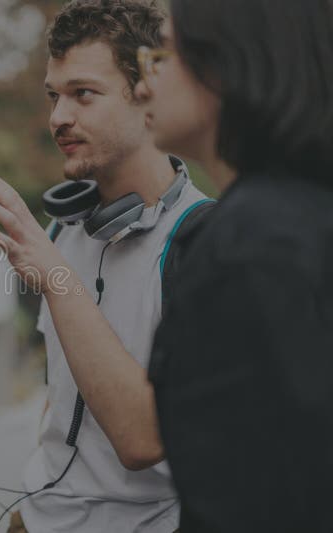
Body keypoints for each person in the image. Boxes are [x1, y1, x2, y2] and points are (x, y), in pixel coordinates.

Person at [0, 1, 208, 531]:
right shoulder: (64, 229)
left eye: (84, 94)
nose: (58, 117)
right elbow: (61, 393)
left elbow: (143, 440)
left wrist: (57, 281)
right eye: (54, 96)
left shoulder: (201, 241)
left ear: (148, 96)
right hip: (35, 517)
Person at [134, 1, 333, 531]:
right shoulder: (303, 216)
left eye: (162, 56)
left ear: (228, 62)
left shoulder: (249, 247)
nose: (142, 85)